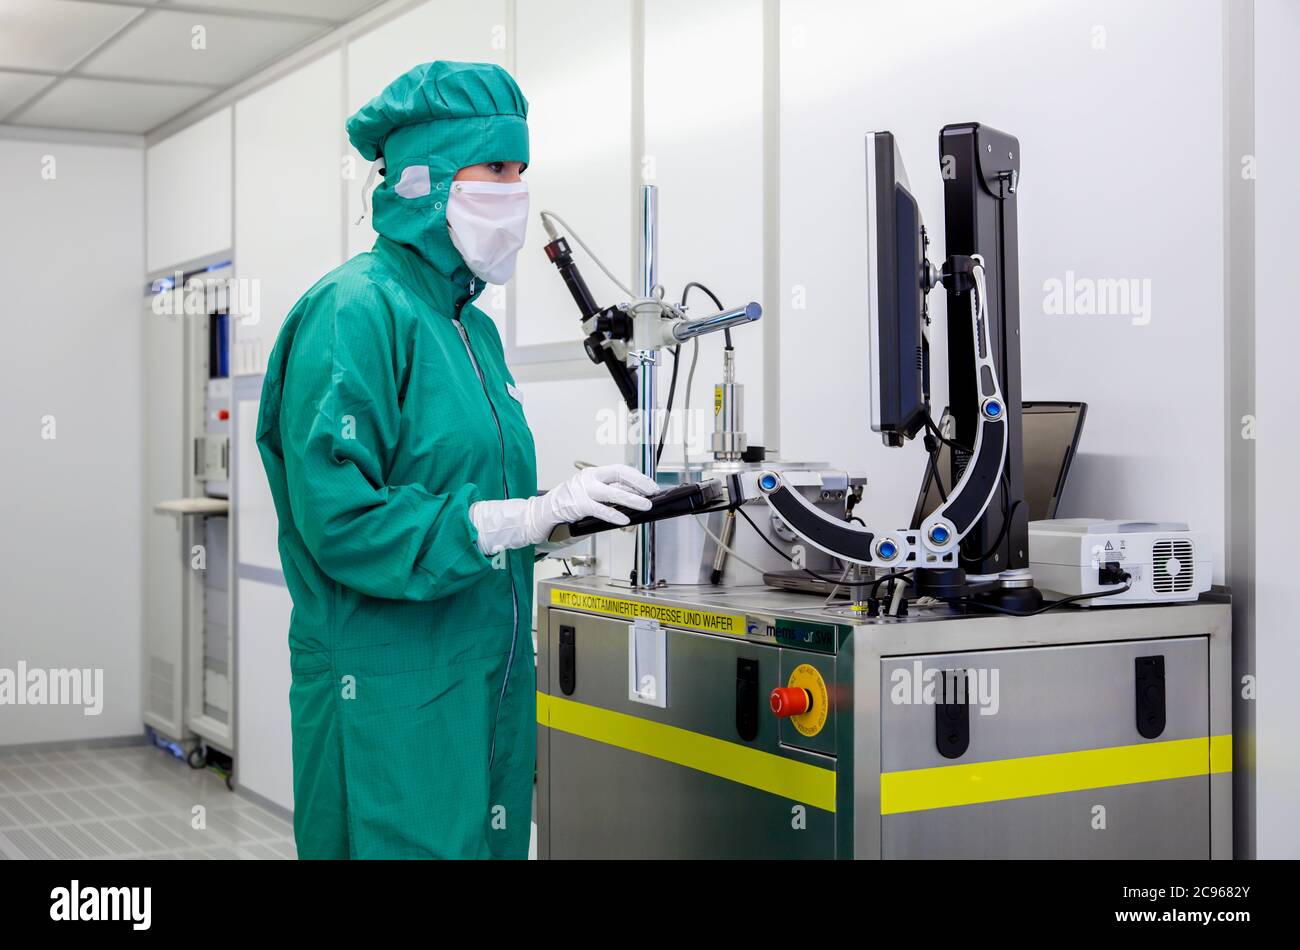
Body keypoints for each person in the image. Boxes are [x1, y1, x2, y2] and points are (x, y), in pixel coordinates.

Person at [255, 61, 658, 859]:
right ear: (427, 178)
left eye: (522, 170)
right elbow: (339, 517)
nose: (516, 191)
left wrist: (554, 515)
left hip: (483, 677)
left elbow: (471, 497)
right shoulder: (356, 310)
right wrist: (513, 519)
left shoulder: (468, 328)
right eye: (497, 169)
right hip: (390, 692)